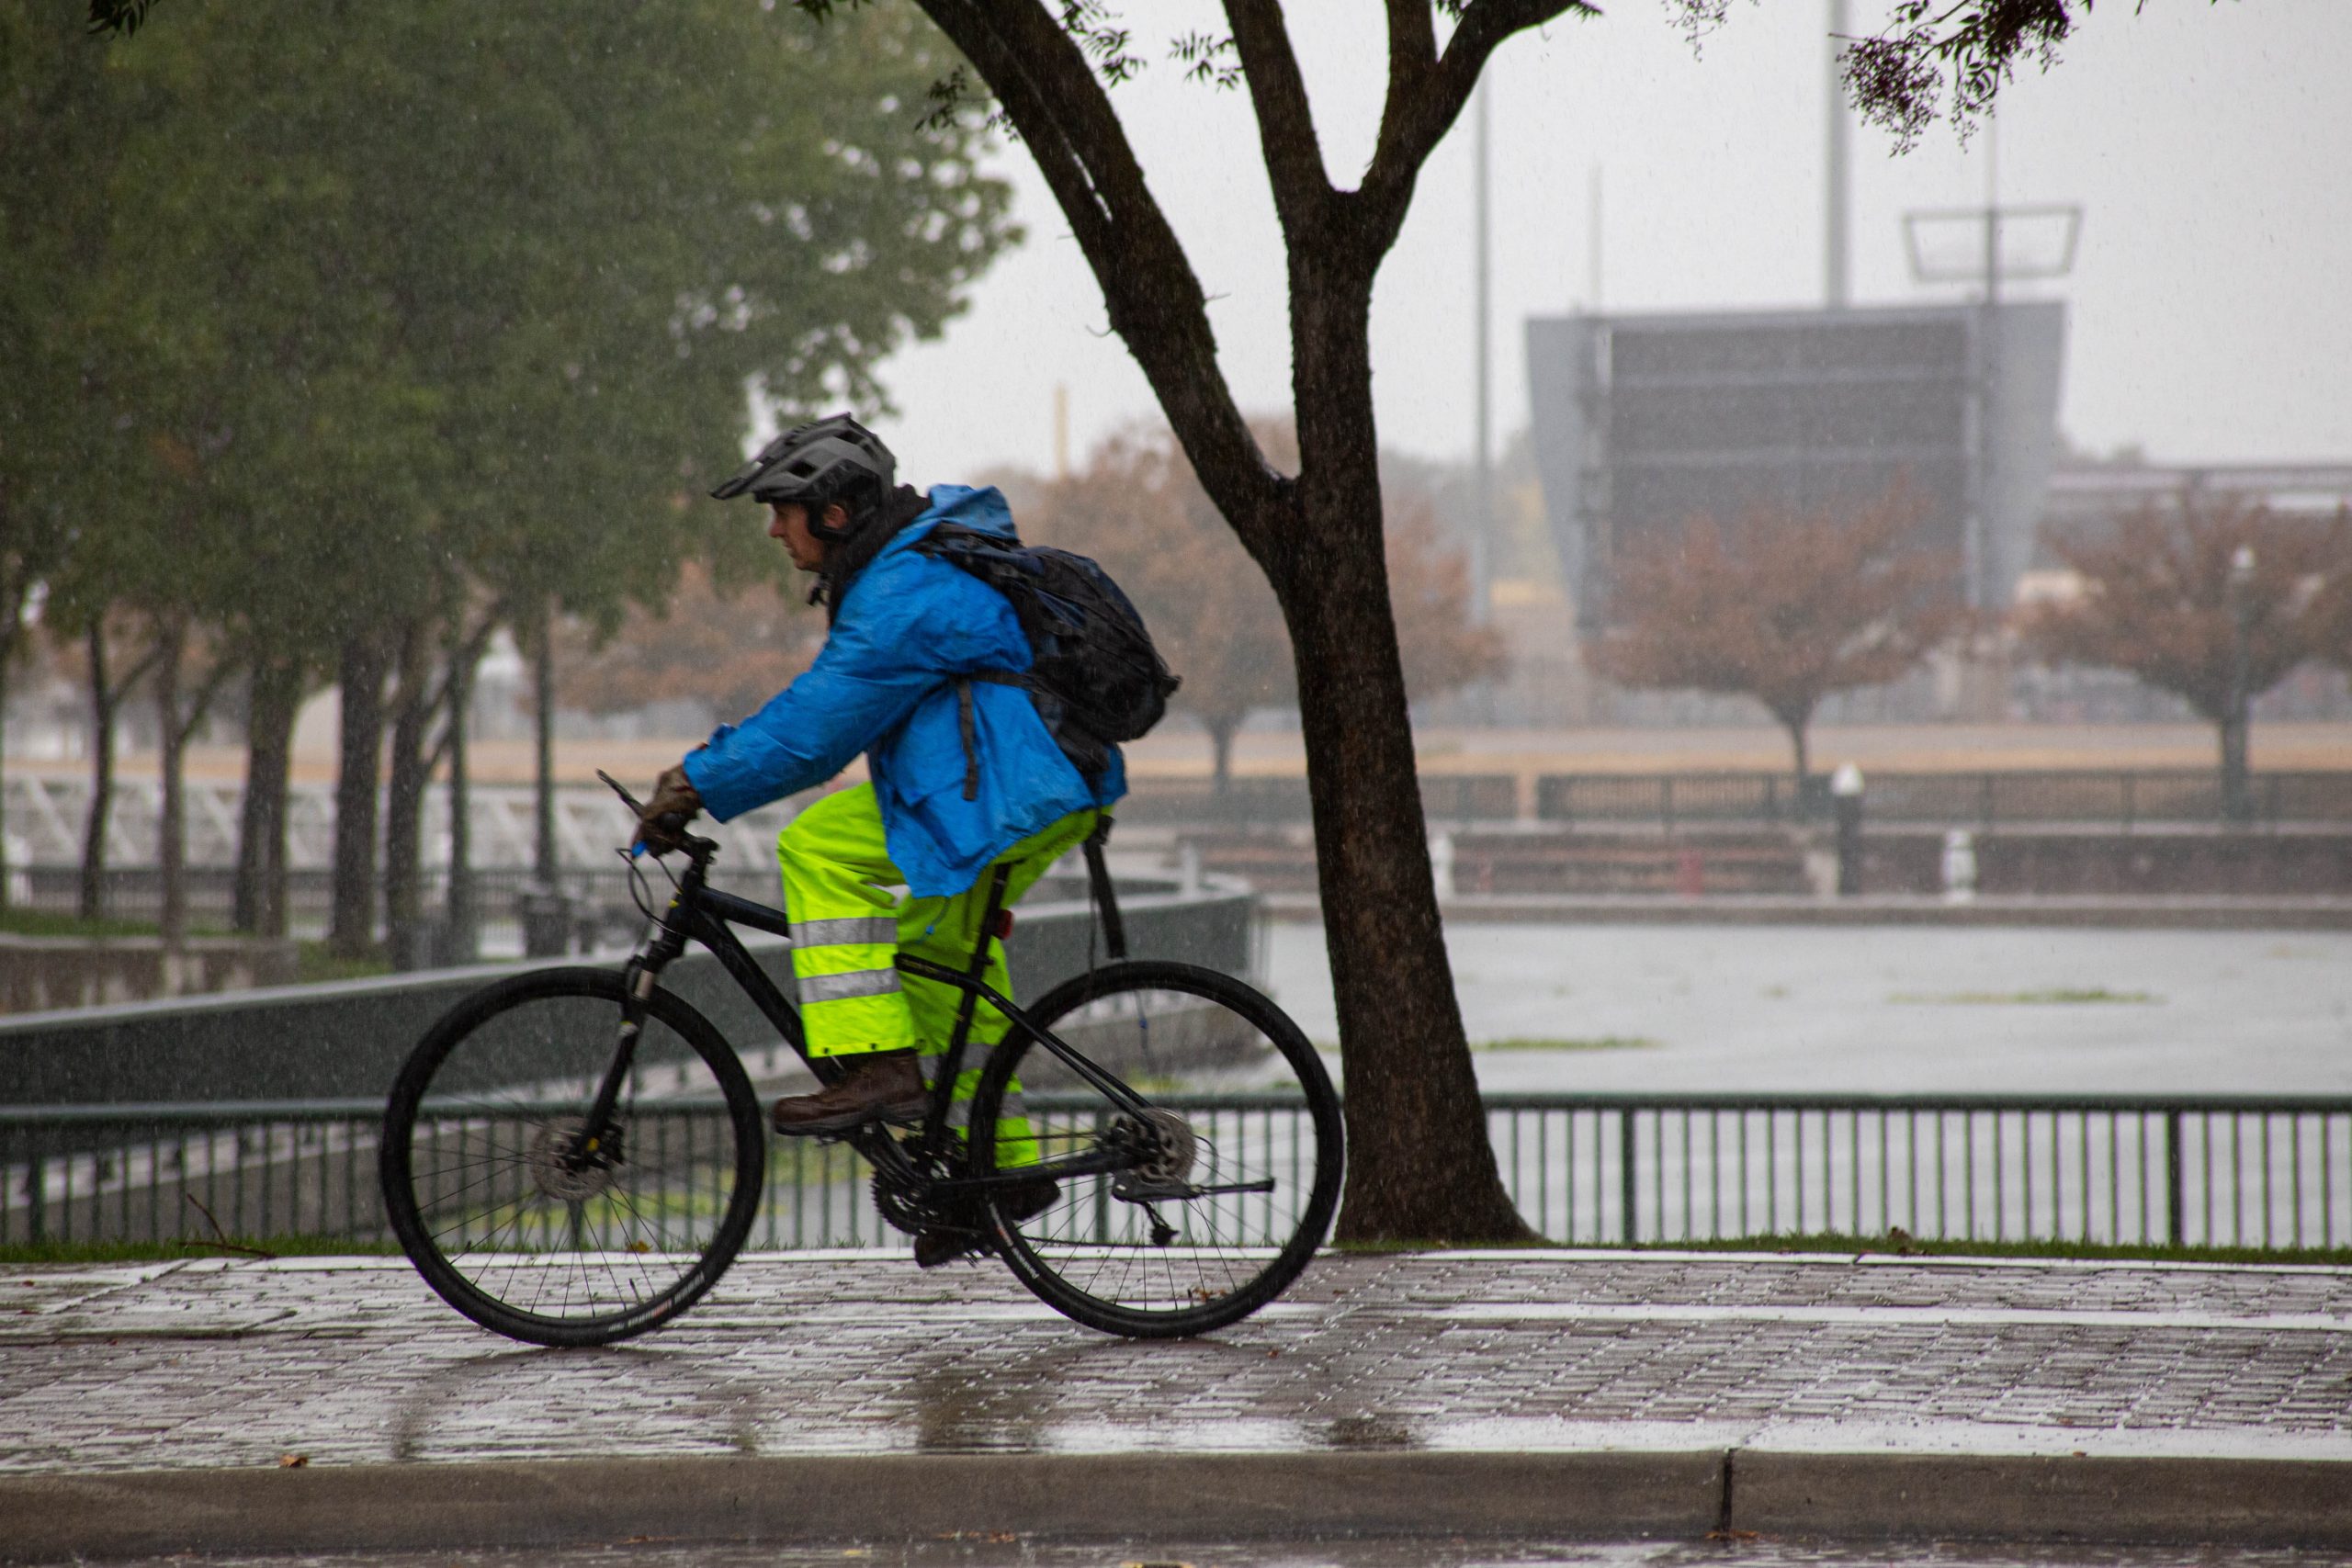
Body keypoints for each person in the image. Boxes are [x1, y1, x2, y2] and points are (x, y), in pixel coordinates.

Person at [631, 414, 1120, 1263]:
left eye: (782, 510)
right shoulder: (899, 574)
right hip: (1023, 779)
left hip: (1015, 783)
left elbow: (815, 731)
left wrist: (695, 782)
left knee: (816, 846)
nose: (773, 529)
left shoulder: (901, 592)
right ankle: (1001, 1171)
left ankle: (876, 1064)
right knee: (937, 961)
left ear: (834, 512)